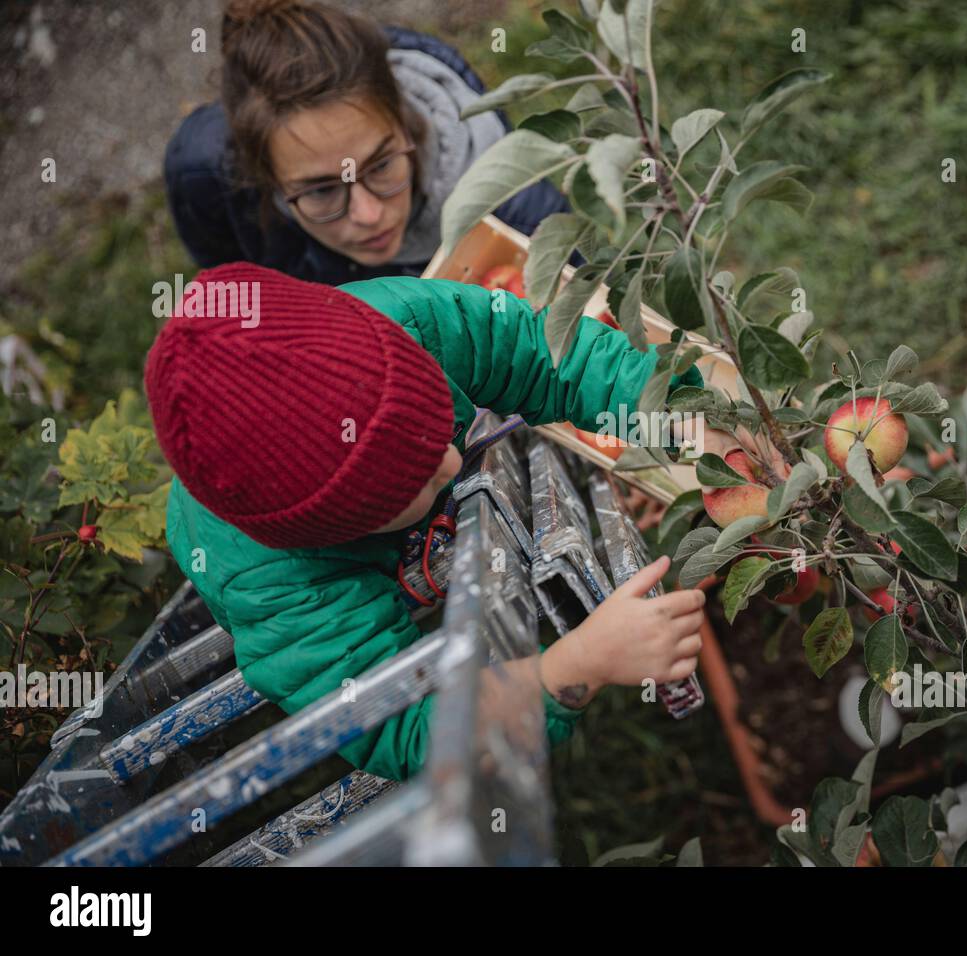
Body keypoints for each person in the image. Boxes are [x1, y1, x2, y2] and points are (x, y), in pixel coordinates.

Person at [144, 262, 716, 782]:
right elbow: (404, 724)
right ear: (327, 534)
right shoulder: (273, 579)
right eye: (407, 486)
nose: (446, 460)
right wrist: (573, 665)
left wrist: (681, 415)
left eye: (435, 421)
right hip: (333, 578)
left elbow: (542, 353)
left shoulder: (405, 320)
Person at [164, 0, 566, 284]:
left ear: (406, 122)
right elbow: (231, 284)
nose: (370, 215)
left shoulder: (509, 202)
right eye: (321, 190)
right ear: (265, 178)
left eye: (381, 165)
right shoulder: (205, 175)